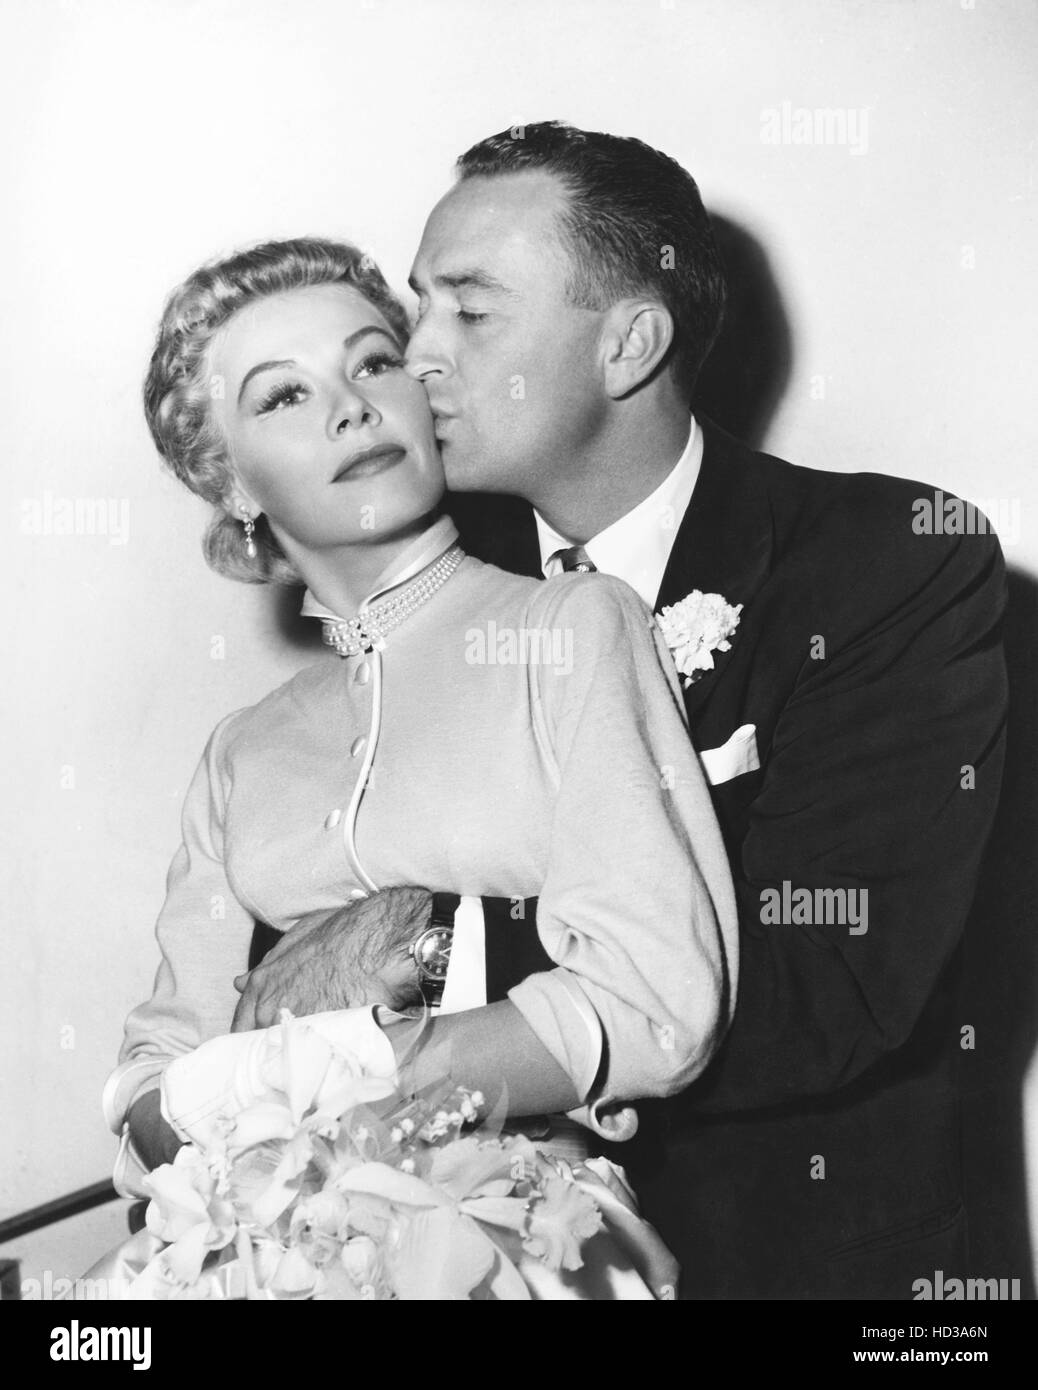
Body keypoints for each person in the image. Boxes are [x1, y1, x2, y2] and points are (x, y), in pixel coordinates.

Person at [251, 122, 1009, 1299]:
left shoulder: (892, 564)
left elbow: (836, 974)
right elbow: (296, 929)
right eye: (416, 310)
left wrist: (421, 935)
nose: (418, 357)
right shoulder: (420, 579)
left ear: (629, 345)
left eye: (471, 311)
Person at [100, 235, 739, 1300]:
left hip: (510, 1229)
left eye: (372, 362)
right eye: (282, 397)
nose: (350, 406)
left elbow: (655, 1005)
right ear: (231, 483)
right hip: (258, 1235)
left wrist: (318, 1053)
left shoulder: (572, 627)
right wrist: (253, 1097)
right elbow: (147, 1088)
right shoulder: (241, 752)